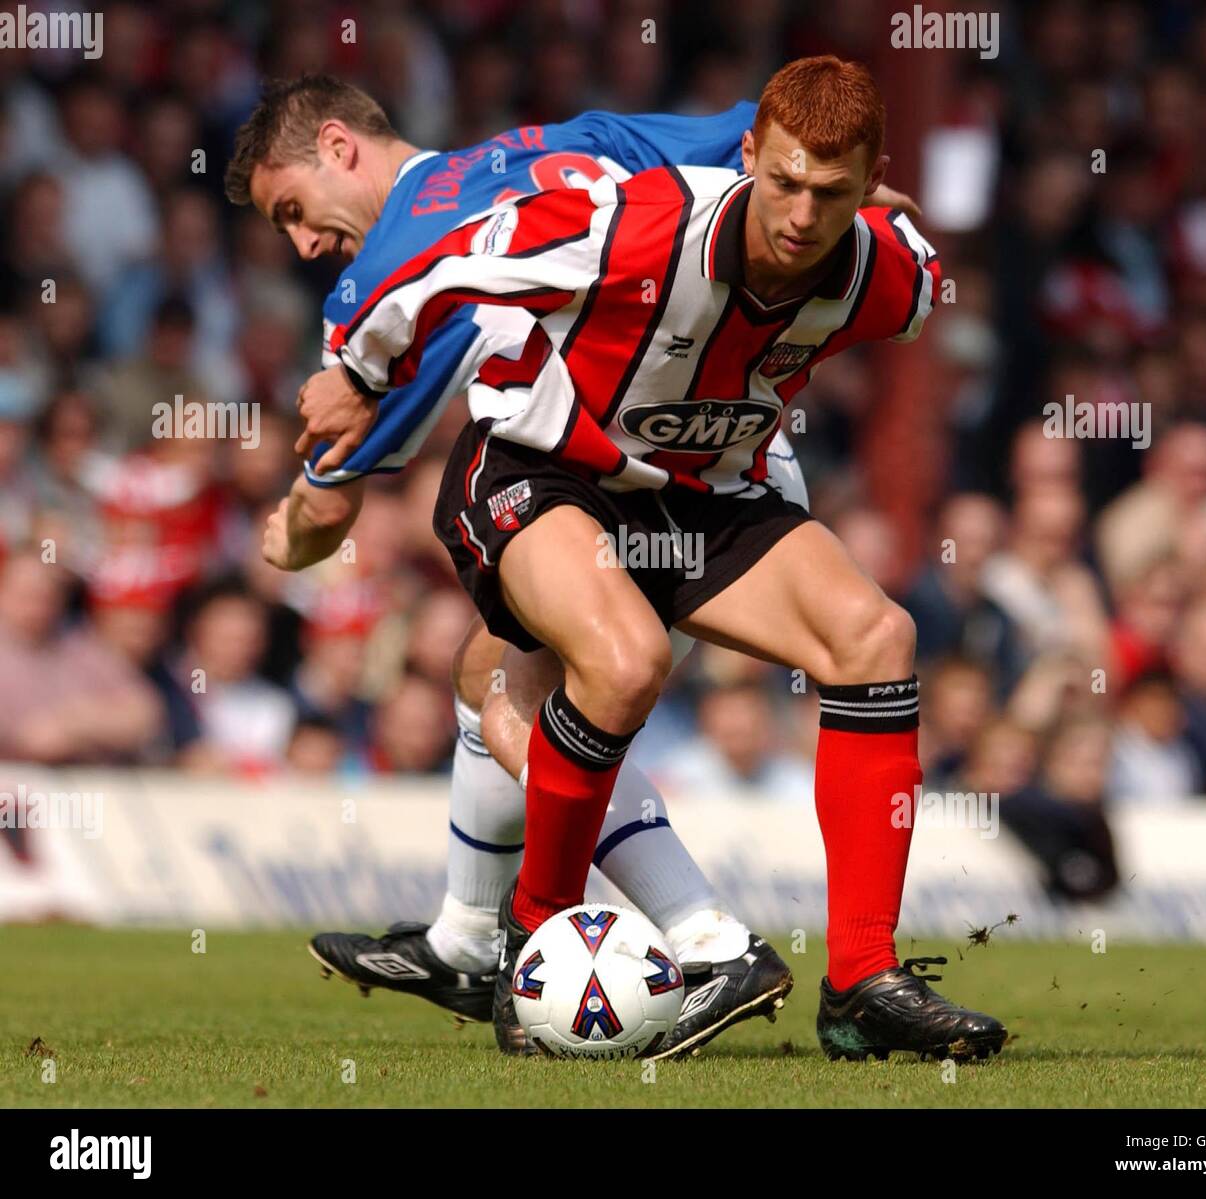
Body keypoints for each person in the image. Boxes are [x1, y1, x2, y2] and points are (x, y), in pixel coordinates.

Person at [253, 56, 1007, 1062]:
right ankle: (540, 937)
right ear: (750, 162)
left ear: (865, 183)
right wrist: (356, 369)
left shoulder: (889, 273)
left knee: (876, 635)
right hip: (542, 468)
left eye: (831, 192)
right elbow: (450, 263)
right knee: (613, 663)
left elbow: (912, 262)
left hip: (702, 493)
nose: (798, 213)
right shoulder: (637, 226)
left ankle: (859, 978)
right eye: (781, 181)